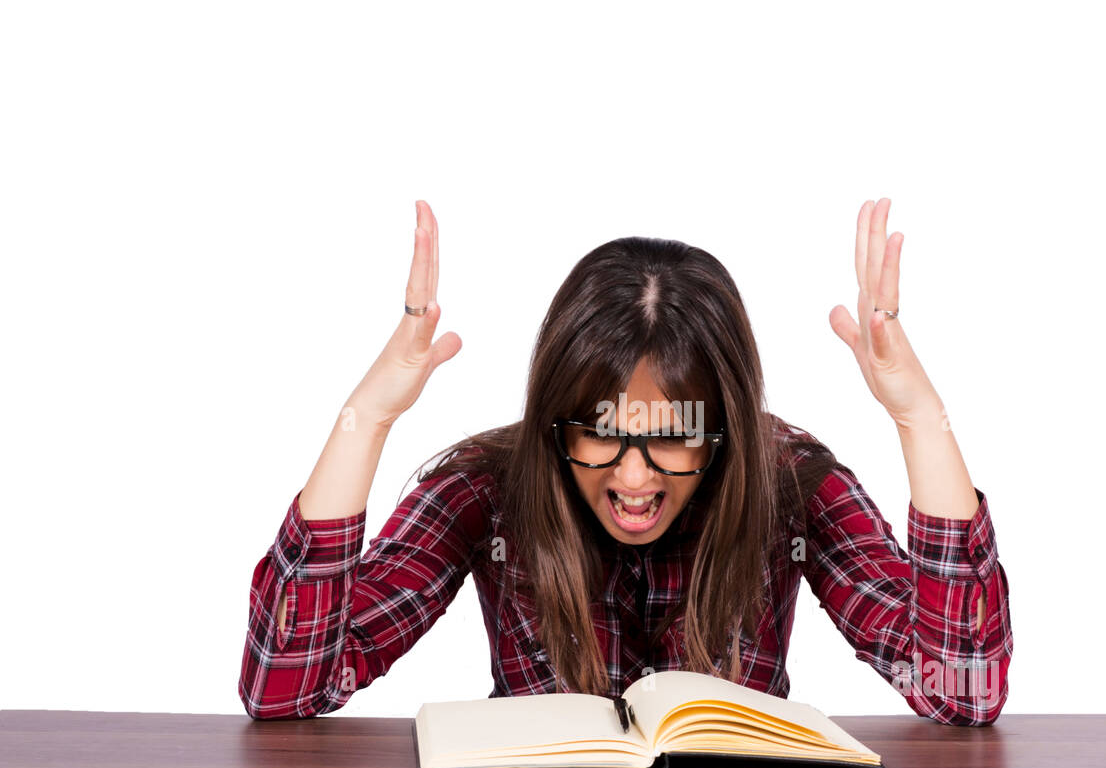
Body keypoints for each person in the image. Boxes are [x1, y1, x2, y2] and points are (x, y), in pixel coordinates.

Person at [239, 199, 1011, 725]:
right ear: (557, 416)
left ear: (724, 424)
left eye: (672, 435)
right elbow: (285, 686)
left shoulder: (788, 483)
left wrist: (918, 417)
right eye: (603, 431)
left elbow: (963, 691)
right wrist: (366, 419)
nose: (636, 477)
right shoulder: (487, 489)